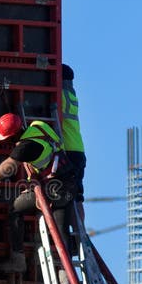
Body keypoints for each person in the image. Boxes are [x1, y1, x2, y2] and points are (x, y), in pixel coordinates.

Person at [0, 113, 77, 275]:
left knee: (17, 209)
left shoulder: (24, 148)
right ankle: (68, 270)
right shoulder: (38, 125)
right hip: (69, 180)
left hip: (56, 190)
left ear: (13, 135)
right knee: (62, 230)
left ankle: (18, 260)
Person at [61, 64, 86, 207]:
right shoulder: (72, 96)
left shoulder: (59, 95)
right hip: (79, 149)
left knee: (65, 195)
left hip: (67, 149)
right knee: (77, 196)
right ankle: (80, 228)